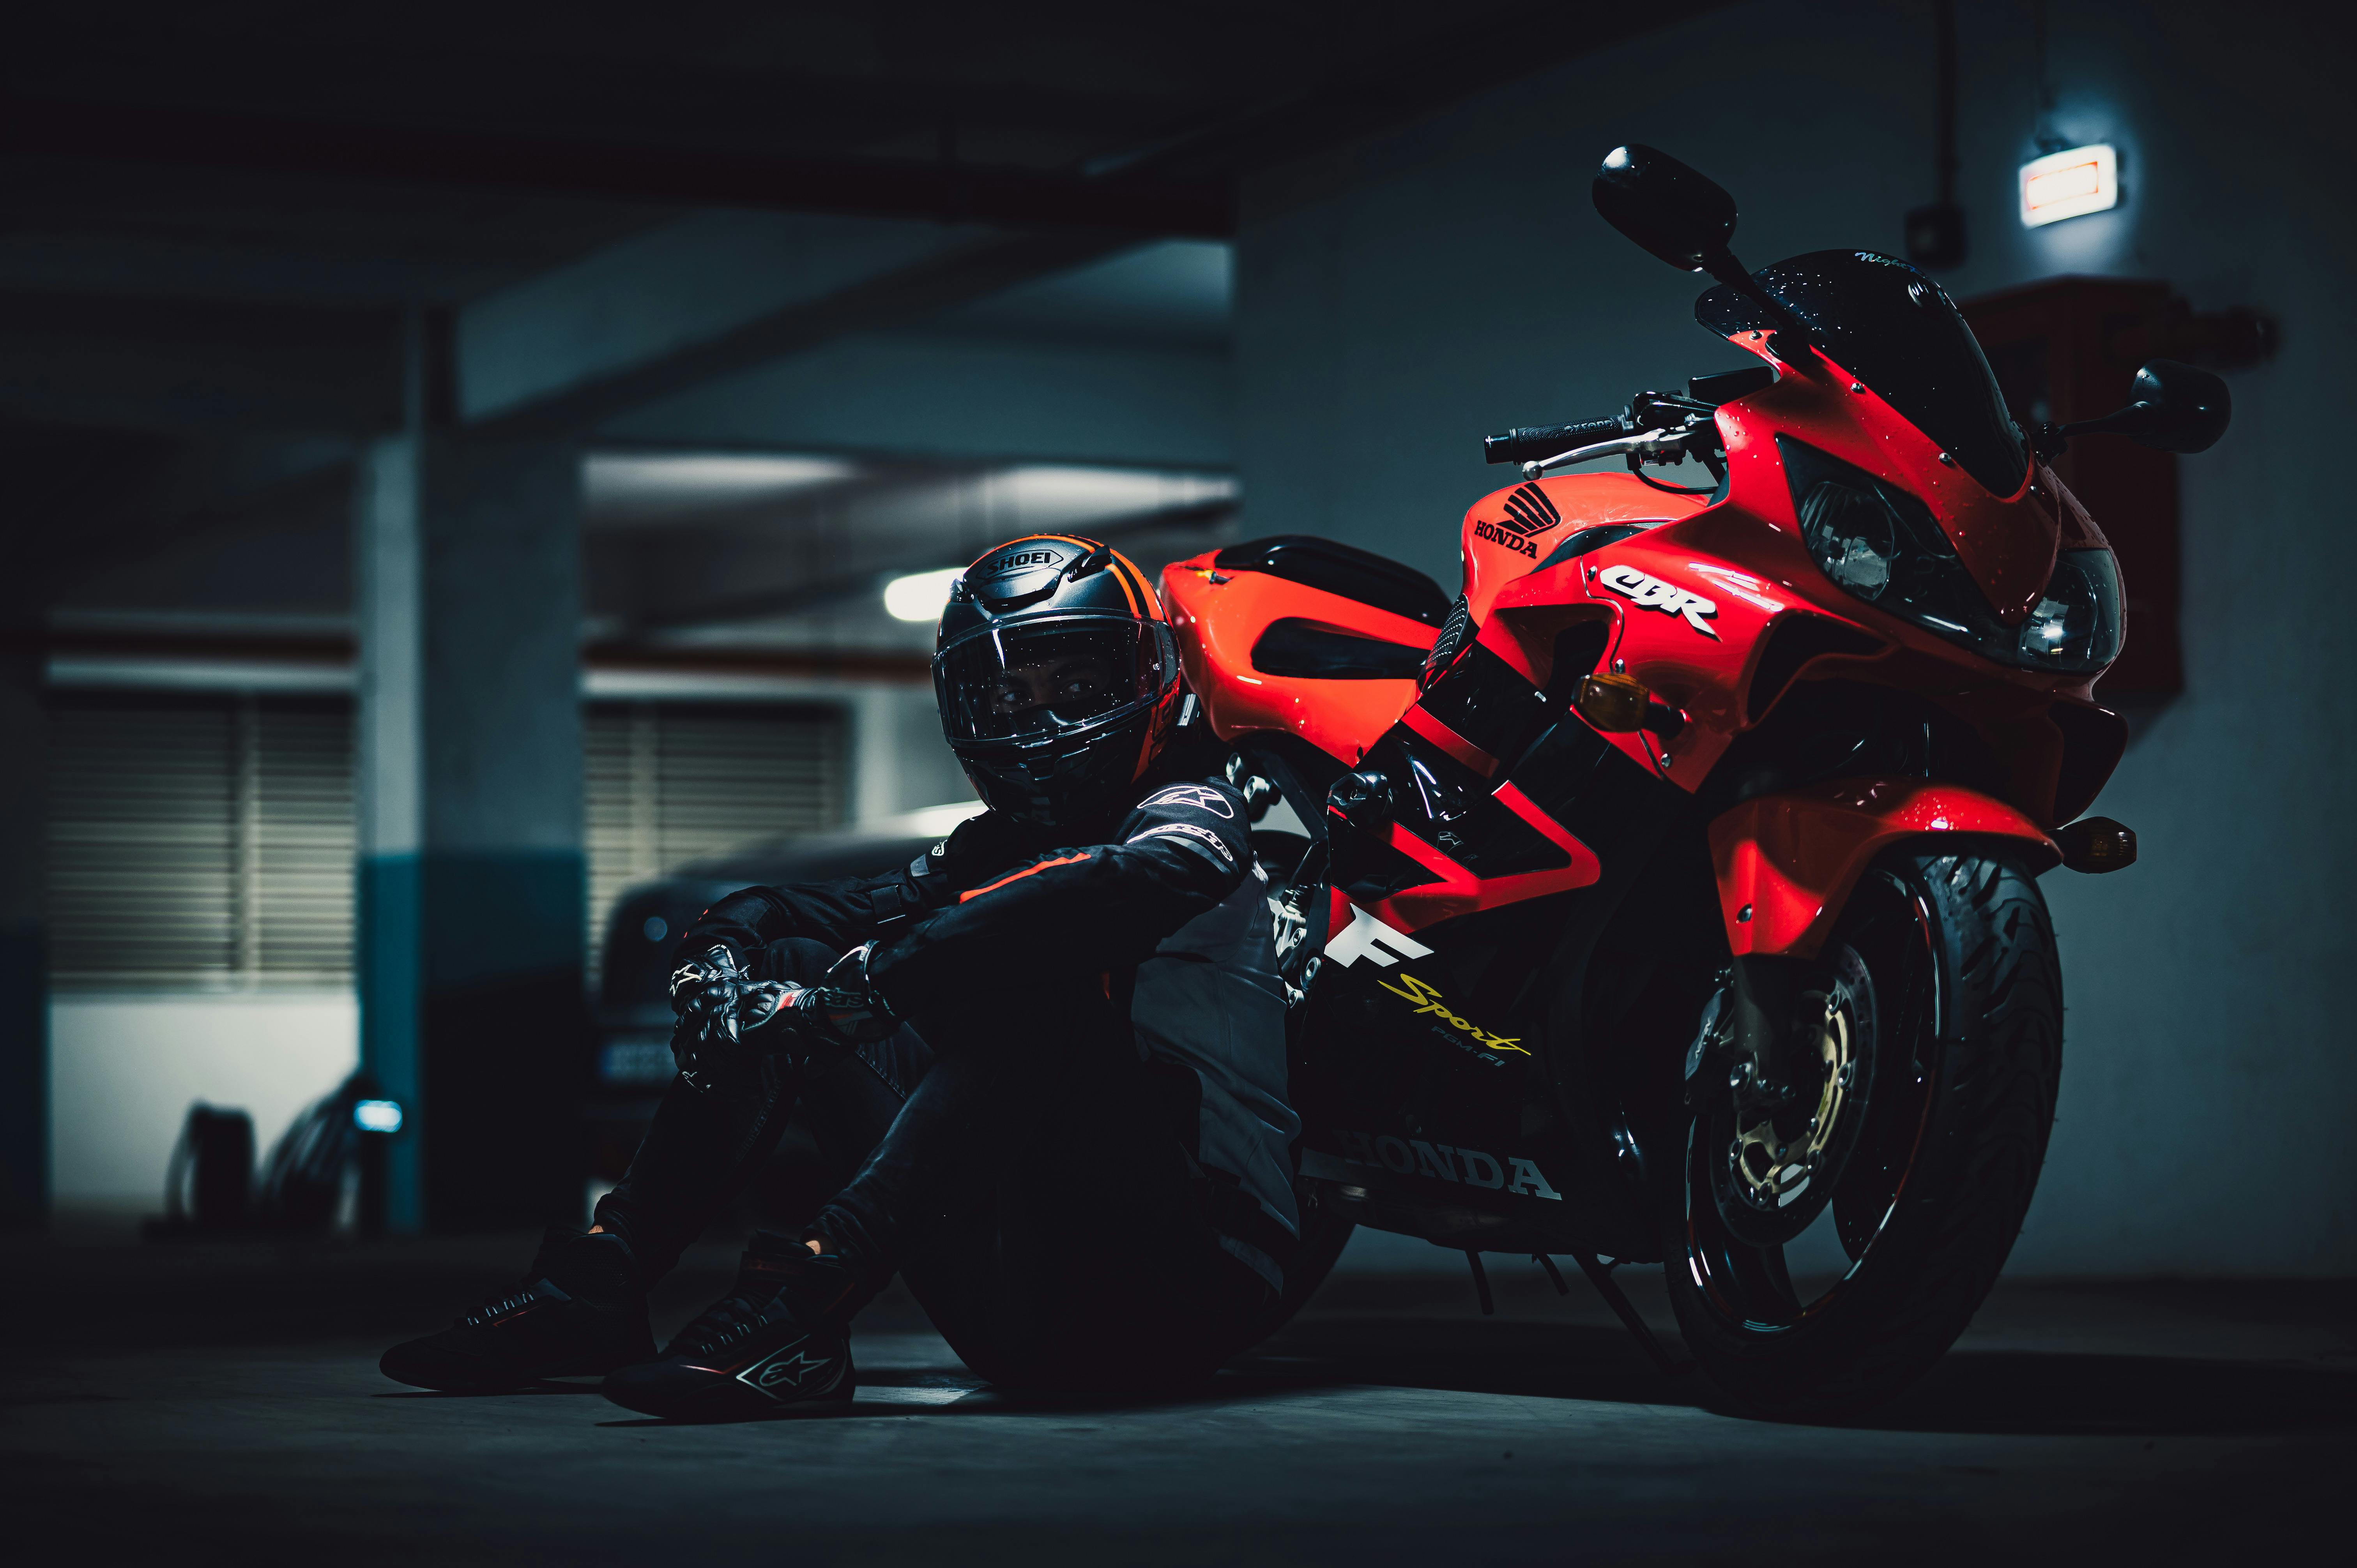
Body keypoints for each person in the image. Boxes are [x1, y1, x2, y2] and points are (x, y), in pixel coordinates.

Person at [380, 534, 1299, 1416]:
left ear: (1147, 679)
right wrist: (725, 944)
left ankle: (806, 1300)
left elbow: (1125, 882)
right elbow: (828, 909)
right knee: (786, 963)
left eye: (1080, 683)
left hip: (1193, 1287)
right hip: (1025, 1304)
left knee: (1038, 974)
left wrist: (878, 981)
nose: (1042, 719)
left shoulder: (1192, 802)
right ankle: (599, 1282)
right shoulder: (1003, 846)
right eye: (1009, 695)